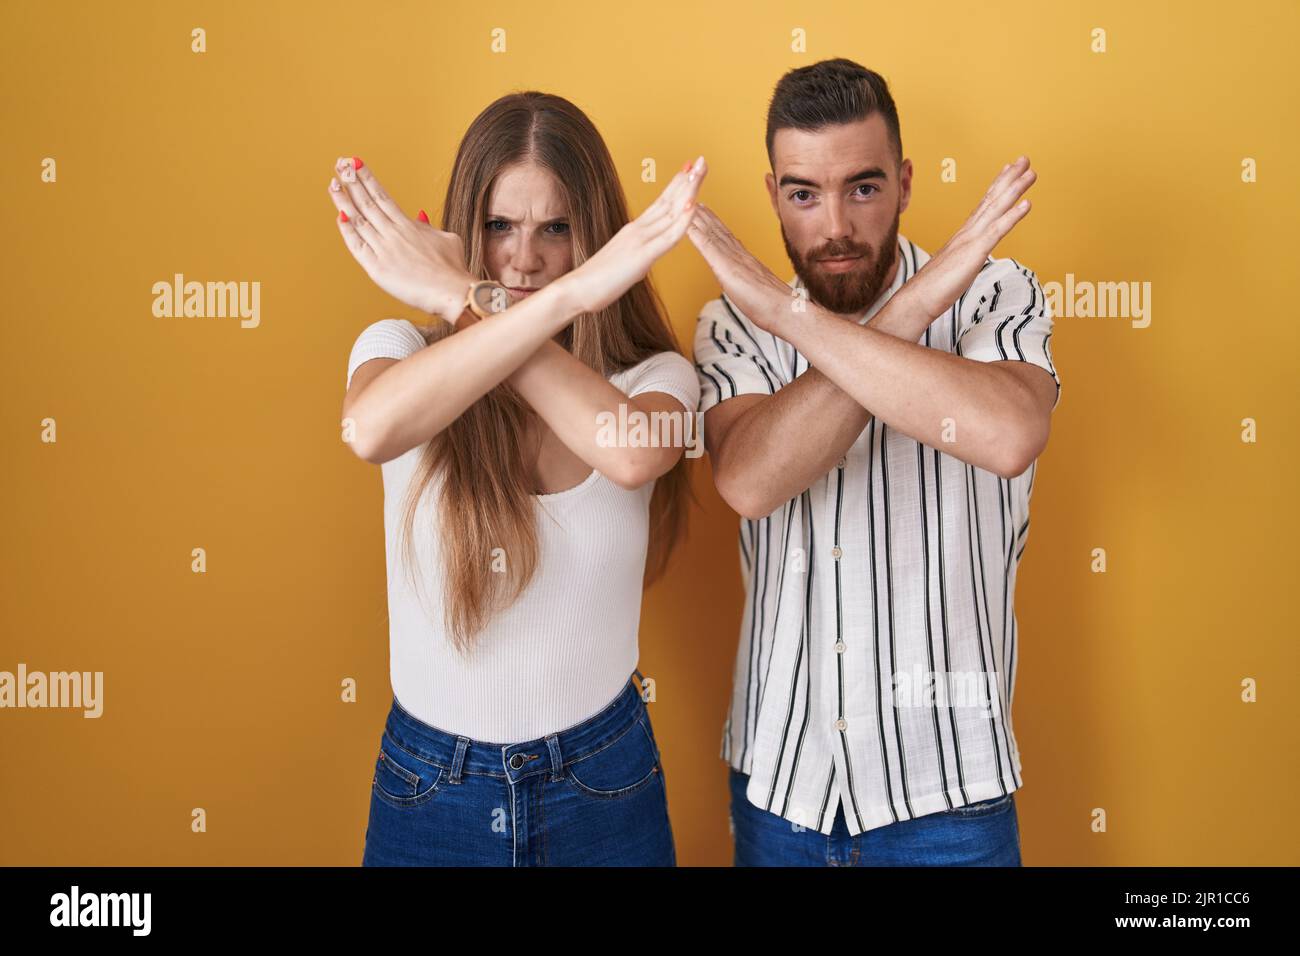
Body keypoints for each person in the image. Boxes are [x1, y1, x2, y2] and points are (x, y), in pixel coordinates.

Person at [688, 58, 1061, 866]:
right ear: (773, 192)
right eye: (803, 193)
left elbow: (1006, 435)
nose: (834, 228)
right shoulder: (736, 322)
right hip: (782, 790)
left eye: (862, 187)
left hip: (948, 794)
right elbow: (750, 481)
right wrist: (913, 307)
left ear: (904, 181)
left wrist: (814, 312)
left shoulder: (994, 291)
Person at [327, 91, 706, 866]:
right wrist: (537, 302)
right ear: (465, 227)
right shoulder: (398, 343)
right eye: (499, 227)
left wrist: (470, 300)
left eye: (555, 230)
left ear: (591, 237)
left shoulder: (653, 375)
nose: (524, 261)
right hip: (432, 790)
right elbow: (367, 430)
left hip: (604, 785)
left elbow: (631, 451)